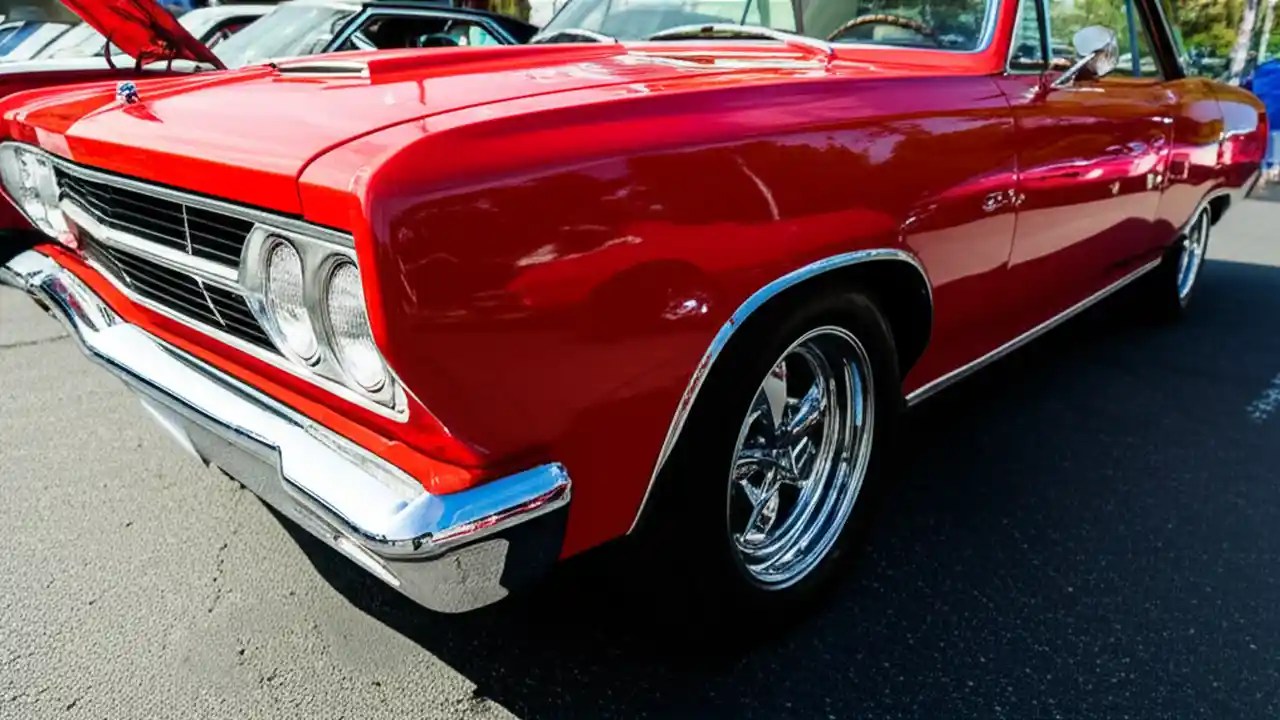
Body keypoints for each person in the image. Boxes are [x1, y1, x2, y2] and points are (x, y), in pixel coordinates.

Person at [1249, 58, 1280, 183]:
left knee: (1267, 140)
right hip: (1270, 116)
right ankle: (1271, 168)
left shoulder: (1266, 68)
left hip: (1265, 115)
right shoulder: (1268, 68)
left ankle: (1266, 170)